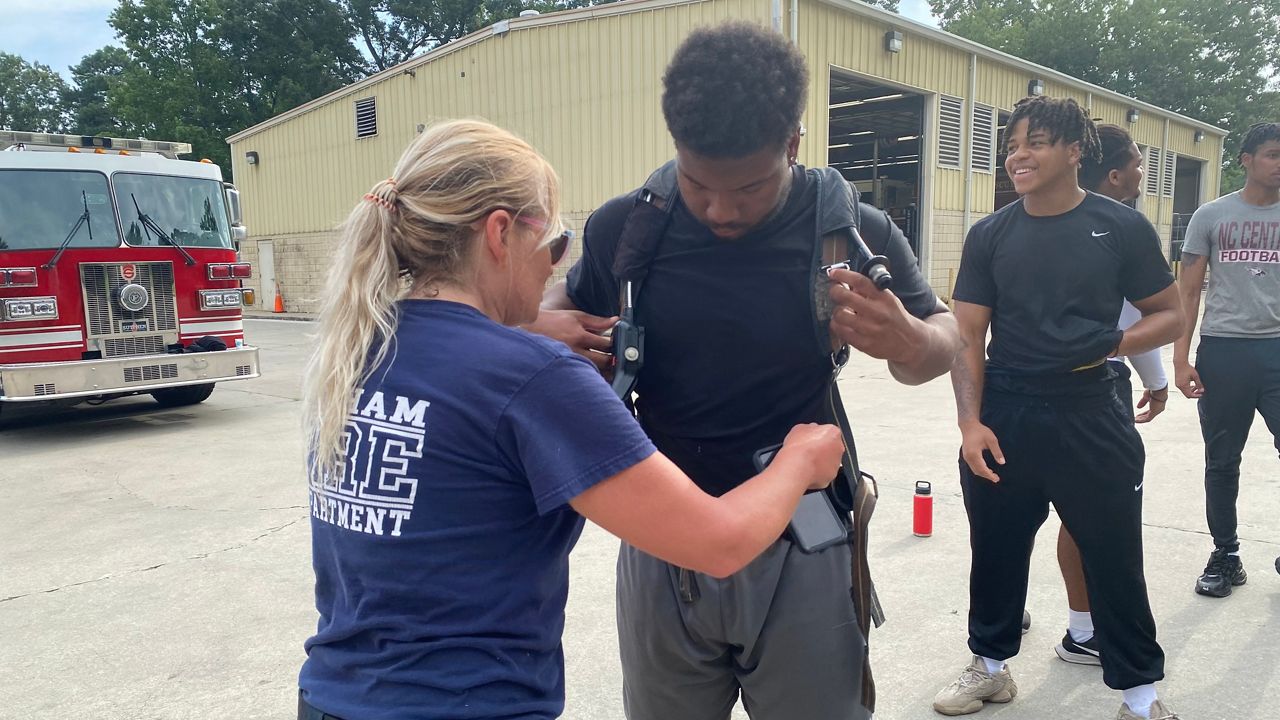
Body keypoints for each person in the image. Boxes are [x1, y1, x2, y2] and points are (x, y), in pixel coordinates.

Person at [296, 119, 848, 720]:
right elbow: (718, 543)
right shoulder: (532, 378)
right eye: (556, 243)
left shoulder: (356, 349)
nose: (557, 269)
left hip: (331, 697)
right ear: (500, 233)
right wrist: (799, 461)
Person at [530, 22, 960, 720]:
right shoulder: (628, 229)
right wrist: (539, 323)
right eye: (698, 184)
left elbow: (944, 342)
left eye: (750, 188)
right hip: (664, 534)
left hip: (804, 541)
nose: (721, 210)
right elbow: (558, 308)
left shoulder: (851, 231)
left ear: (792, 144)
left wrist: (907, 338)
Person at [937, 96, 1184, 720]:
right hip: (1008, 410)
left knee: (1114, 555)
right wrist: (970, 422)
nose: (1018, 155)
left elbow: (1170, 313)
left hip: (1091, 407)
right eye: (1012, 145)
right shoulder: (990, 234)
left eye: (1036, 142)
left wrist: (1114, 344)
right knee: (995, 549)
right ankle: (990, 669)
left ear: (1076, 151)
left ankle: (1140, 697)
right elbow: (966, 337)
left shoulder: (1120, 227)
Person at [1049, 124, 1171, 667]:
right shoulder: (1121, 230)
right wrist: (1158, 382)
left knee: (1033, 510)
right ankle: (1084, 631)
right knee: (1094, 512)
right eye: (1139, 164)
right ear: (1115, 175)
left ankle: (1065, 623)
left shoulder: (1033, 225)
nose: (1143, 174)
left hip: (1027, 386)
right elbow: (1138, 317)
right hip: (1097, 385)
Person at [1174, 121, 1280, 597]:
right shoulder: (1212, 216)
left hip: (1277, 348)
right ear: (1247, 160)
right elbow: (1188, 291)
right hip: (1223, 350)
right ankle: (1226, 555)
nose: (1279, 164)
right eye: (1272, 154)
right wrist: (1181, 359)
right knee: (1222, 461)